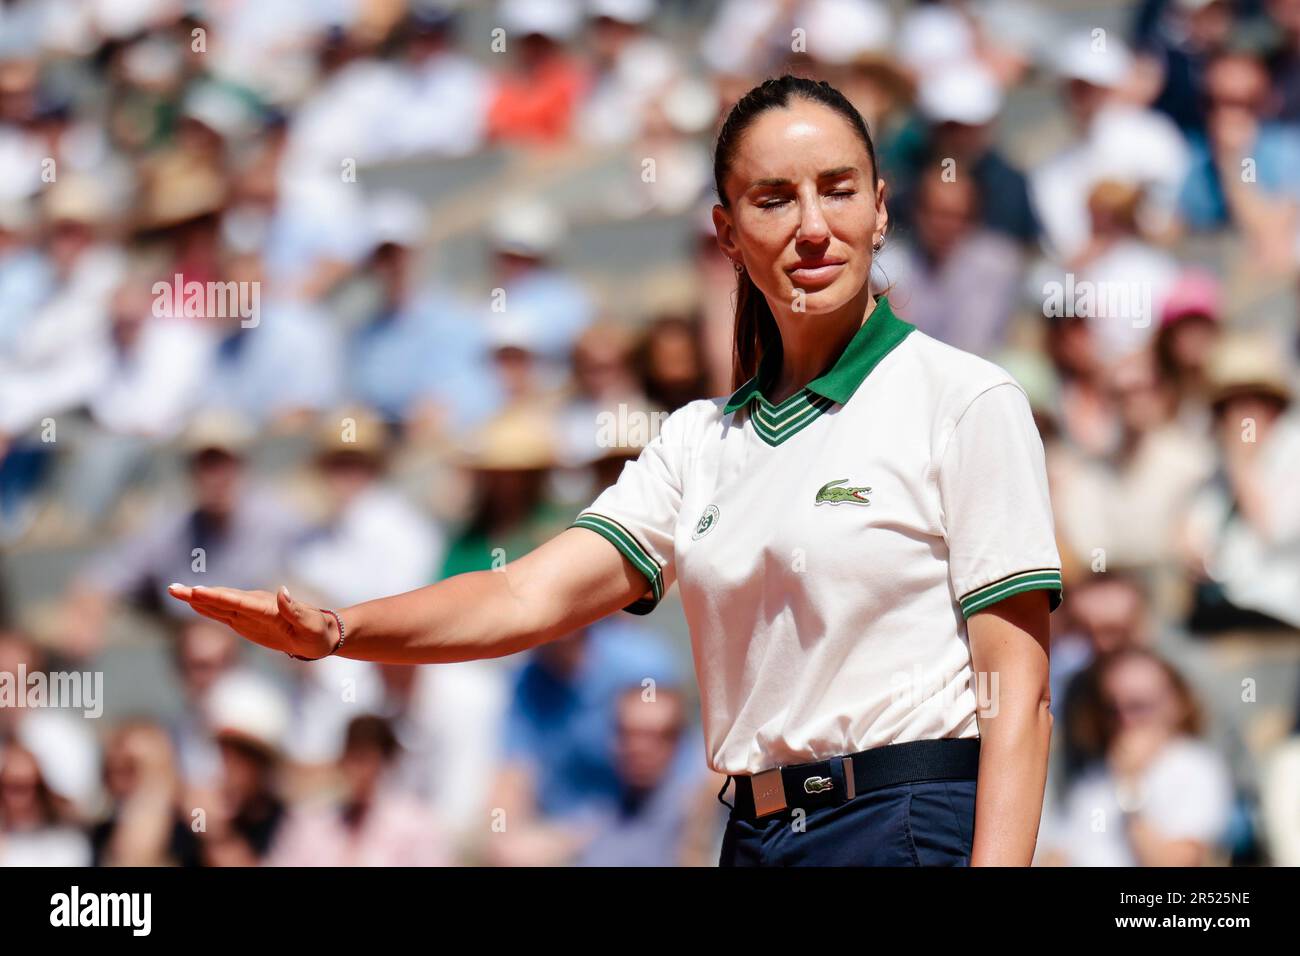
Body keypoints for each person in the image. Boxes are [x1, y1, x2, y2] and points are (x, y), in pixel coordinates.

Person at [168, 76, 1062, 867]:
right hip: (754, 835)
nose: (813, 226)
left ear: (881, 208)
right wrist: (337, 631)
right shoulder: (698, 442)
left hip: (906, 825)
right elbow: (524, 598)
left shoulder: (964, 398)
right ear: (726, 232)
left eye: (838, 190)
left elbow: (1017, 694)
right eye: (773, 199)